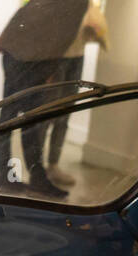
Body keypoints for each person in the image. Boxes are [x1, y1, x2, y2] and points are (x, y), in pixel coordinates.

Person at [0, 0, 93, 198]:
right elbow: (59, 35)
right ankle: (21, 178)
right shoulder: (78, 3)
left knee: (24, 117)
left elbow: (37, 16)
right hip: (25, 56)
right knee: (24, 118)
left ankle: (17, 178)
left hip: (23, 53)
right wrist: (50, 70)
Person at [44, 0, 108, 187]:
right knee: (46, 114)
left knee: (63, 115)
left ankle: (53, 165)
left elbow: (87, 30)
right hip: (58, 59)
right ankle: (37, 168)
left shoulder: (87, 4)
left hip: (76, 58)